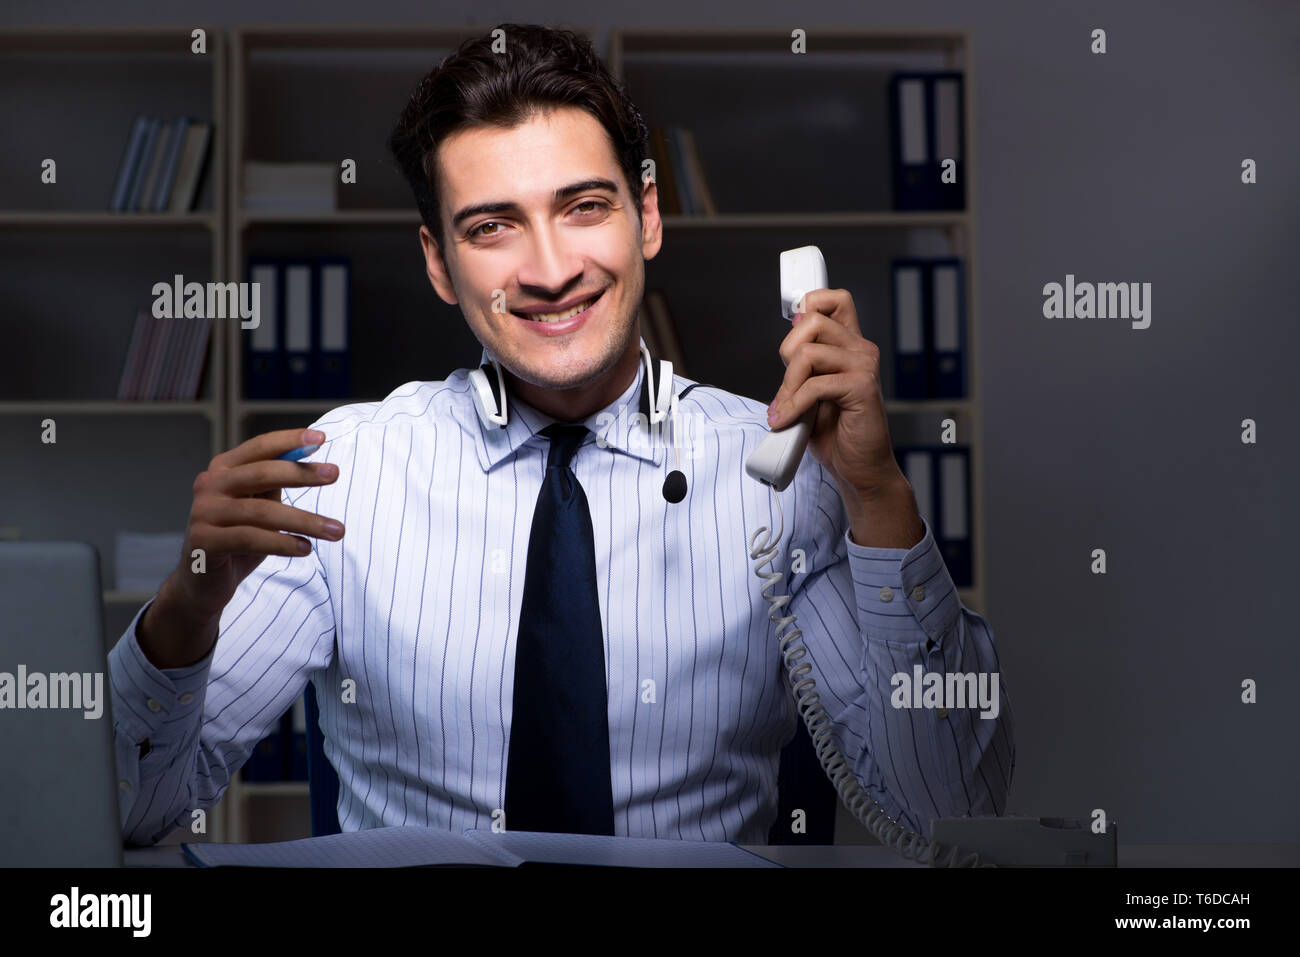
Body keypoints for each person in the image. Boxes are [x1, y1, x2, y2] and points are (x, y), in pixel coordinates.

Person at [110, 23, 1013, 847]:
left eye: (584, 207)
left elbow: (956, 814)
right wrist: (187, 608)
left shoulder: (781, 473)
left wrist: (879, 494)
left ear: (647, 217)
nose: (549, 271)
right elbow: (133, 807)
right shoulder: (339, 472)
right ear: (439, 262)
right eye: (493, 226)